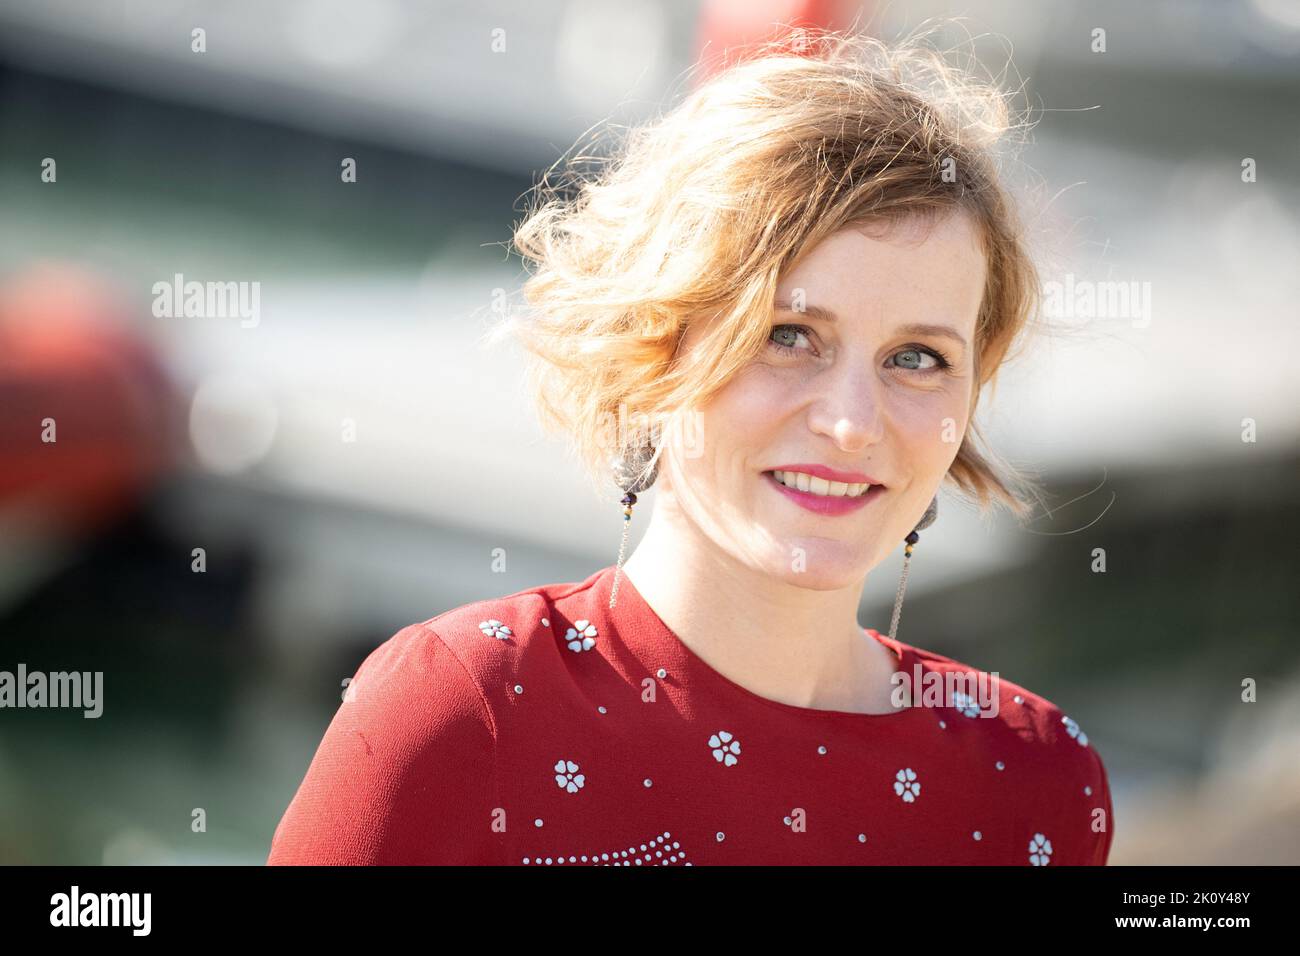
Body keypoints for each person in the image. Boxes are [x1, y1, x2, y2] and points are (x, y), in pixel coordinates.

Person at [267, 26, 1114, 866]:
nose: (854, 421)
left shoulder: (1037, 783)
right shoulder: (461, 708)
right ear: (655, 341)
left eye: (918, 358)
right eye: (788, 335)